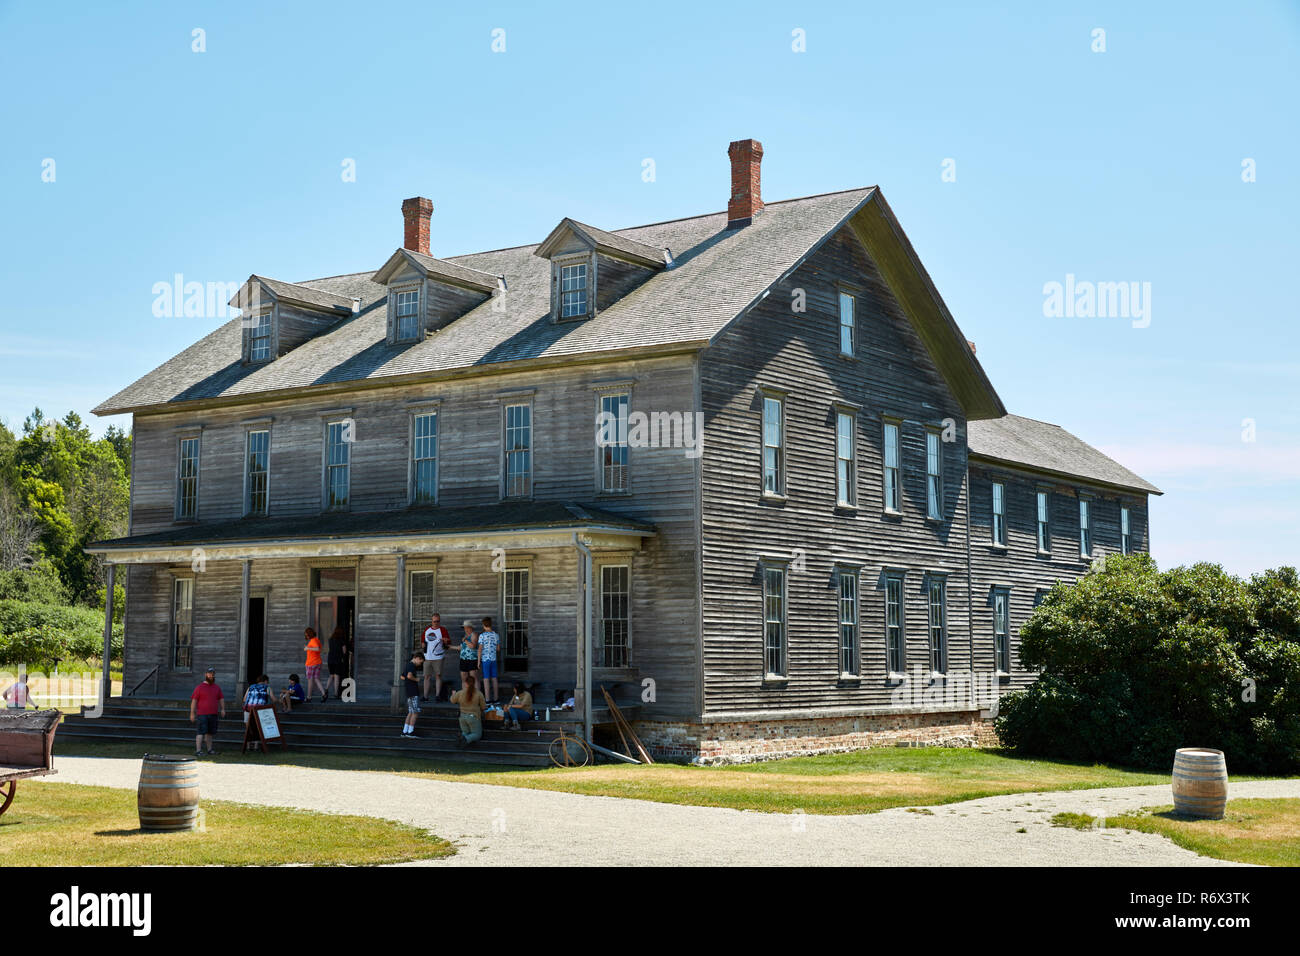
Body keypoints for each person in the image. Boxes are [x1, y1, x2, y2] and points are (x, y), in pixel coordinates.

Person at [189, 666, 225, 756]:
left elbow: (221, 698)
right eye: (209, 674)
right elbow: (194, 701)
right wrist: (192, 713)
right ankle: (198, 751)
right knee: (201, 732)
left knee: (210, 733)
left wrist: (223, 709)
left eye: (212, 674)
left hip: (213, 714)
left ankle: (210, 750)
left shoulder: (217, 687)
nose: (211, 676)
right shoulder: (199, 687)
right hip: (202, 714)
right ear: (206, 674)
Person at [450, 674, 486, 747]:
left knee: (465, 732)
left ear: (465, 683)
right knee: (477, 735)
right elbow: (483, 707)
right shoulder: (479, 694)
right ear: (474, 683)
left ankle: (462, 737)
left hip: (462, 717)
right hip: (473, 717)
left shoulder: (460, 693)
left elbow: (452, 700)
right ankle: (465, 739)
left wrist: (453, 694)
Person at [421, 613, 450, 702]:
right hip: (428, 657)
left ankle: (438, 696)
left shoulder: (443, 630)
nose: (436, 623)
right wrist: (422, 645)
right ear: (431, 621)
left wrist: (446, 641)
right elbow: (422, 641)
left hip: (438, 657)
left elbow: (448, 643)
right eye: (434, 621)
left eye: (438, 621)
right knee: (427, 677)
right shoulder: (427, 629)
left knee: (438, 676)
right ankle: (425, 696)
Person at [243, 674, 274, 751]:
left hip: (248, 709)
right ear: (265, 681)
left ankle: (248, 746)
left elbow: (244, 699)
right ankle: (256, 746)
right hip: (259, 710)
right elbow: (273, 698)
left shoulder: (251, 687)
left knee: (248, 729)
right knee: (258, 728)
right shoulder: (267, 687)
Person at [400, 652, 425, 738]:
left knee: (410, 712)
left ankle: (405, 731)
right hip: (413, 691)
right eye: (420, 662)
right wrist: (416, 679)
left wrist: (408, 681)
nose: (419, 664)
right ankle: (410, 732)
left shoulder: (408, 665)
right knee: (415, 712)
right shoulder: (412, 666)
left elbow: (402, 677)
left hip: (408, 691)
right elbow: (409, 676)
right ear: (417, 658)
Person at [477, 616, 501, 705]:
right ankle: (496, 699)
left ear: (484, 625)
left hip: (485, 659)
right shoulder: (496, 635)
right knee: (494, 679)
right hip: (493, 659)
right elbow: (498, 649)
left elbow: (480, 649)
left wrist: (478, 661)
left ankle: (487, 699)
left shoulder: (482, 636)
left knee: (486, 679)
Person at [304, 627, 327, 702]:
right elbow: (320, 649)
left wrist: (308, 648)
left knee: (310, 681)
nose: (306, 635)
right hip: (318, 662)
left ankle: (309, 697)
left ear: (308, 634)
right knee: (316, 679)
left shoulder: (313, 640)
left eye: (306, 634)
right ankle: (324, 694)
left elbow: (317, 649)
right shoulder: (317, 640)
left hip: (311, 663)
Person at [327, 625, 350, 699]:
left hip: (330, 660)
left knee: (331, 675)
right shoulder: (341, 639)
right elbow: (344, 651)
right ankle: (336, 694)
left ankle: (326, 689)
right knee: (336, 676)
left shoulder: (330, 639)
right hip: (337, 660)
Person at [457, 620, 479, 690]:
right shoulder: (465, 636)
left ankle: (476, 696)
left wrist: (465, 640)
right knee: (464, 679)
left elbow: (473, 646)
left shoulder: (474, 634)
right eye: (464, 628)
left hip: (472, 659)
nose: (465, 629)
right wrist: (449, 646)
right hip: (463, 659)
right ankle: (465, 696)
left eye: (467, 628)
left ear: (471, 627)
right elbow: (460, 647)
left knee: (474, 679)